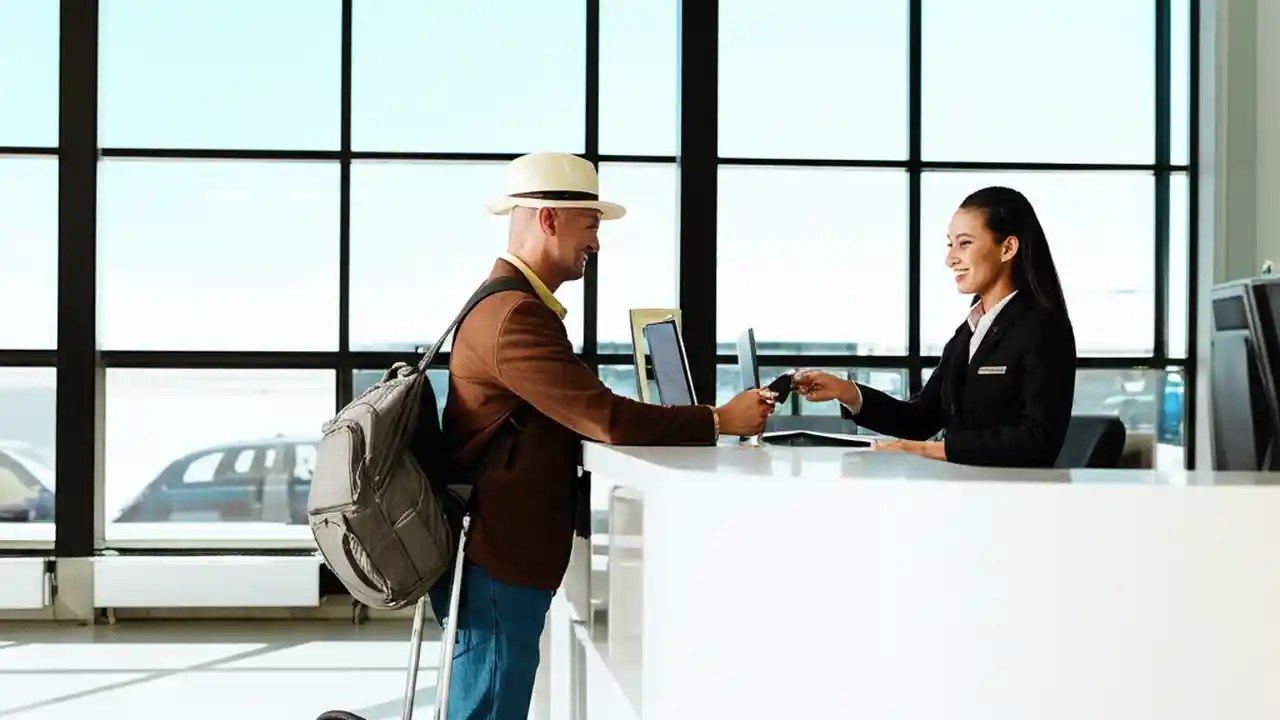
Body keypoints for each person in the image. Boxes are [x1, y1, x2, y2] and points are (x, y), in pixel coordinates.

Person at [428, 152, 776, 719]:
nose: (596, 243)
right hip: (498, 554)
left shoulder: (514, 305)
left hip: (498, 552)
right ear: (549, 219)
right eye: (590, 225)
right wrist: (718, 420)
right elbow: (604, 417)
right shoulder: (514, 316)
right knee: (488, 708)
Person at [793, 186, 1077, 468]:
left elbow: (1037, 441)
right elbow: (919, 419)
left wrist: (930, 450)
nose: (950, 259)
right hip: (964, 486)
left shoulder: (1043, 327)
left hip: (1013, 492)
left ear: (1007, 248)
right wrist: (845, 391)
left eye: (964, 243)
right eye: (950, 244)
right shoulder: (968, 333)